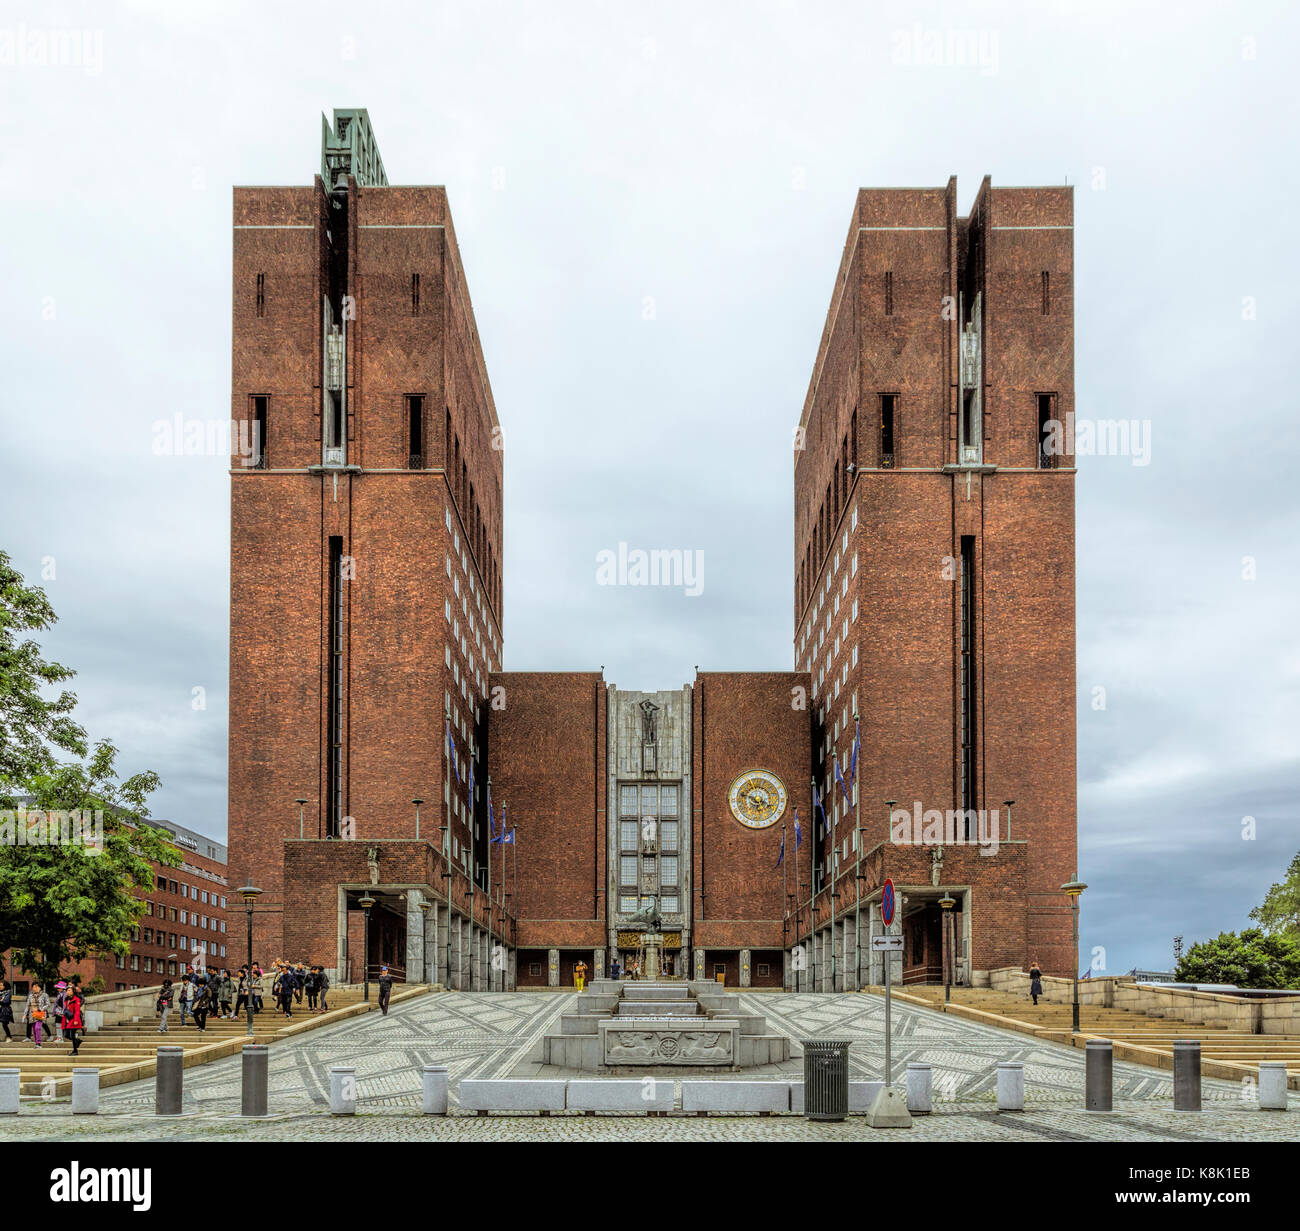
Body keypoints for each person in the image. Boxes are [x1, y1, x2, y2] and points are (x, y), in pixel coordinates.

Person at [25, 982, 50, 1048]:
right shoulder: (30, 995)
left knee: (37, 1028)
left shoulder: (44, 995)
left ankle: (38, 1043)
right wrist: (25, 1014)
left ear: (40, 987)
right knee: (34, 1029)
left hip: (40, 1014)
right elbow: (27, 1005)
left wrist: (41, 1009)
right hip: (32, 1014)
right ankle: (36, 1043)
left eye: (36, 987)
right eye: (33, 987)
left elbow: (48, 1004)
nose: (34, 988)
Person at [62, 985, 84, 1056]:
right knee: (66, 1035)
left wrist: (76, 1020)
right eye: (67, 990)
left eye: (69, 990)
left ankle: (75, 1051)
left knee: (72, 1035)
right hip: (68, 1019)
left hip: (74, 1019)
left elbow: (77, 1011)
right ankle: (78, 1041)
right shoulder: (66, 999)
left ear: (73, 991)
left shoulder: (76, 999)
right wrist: (66, 1018)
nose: (67, 992)